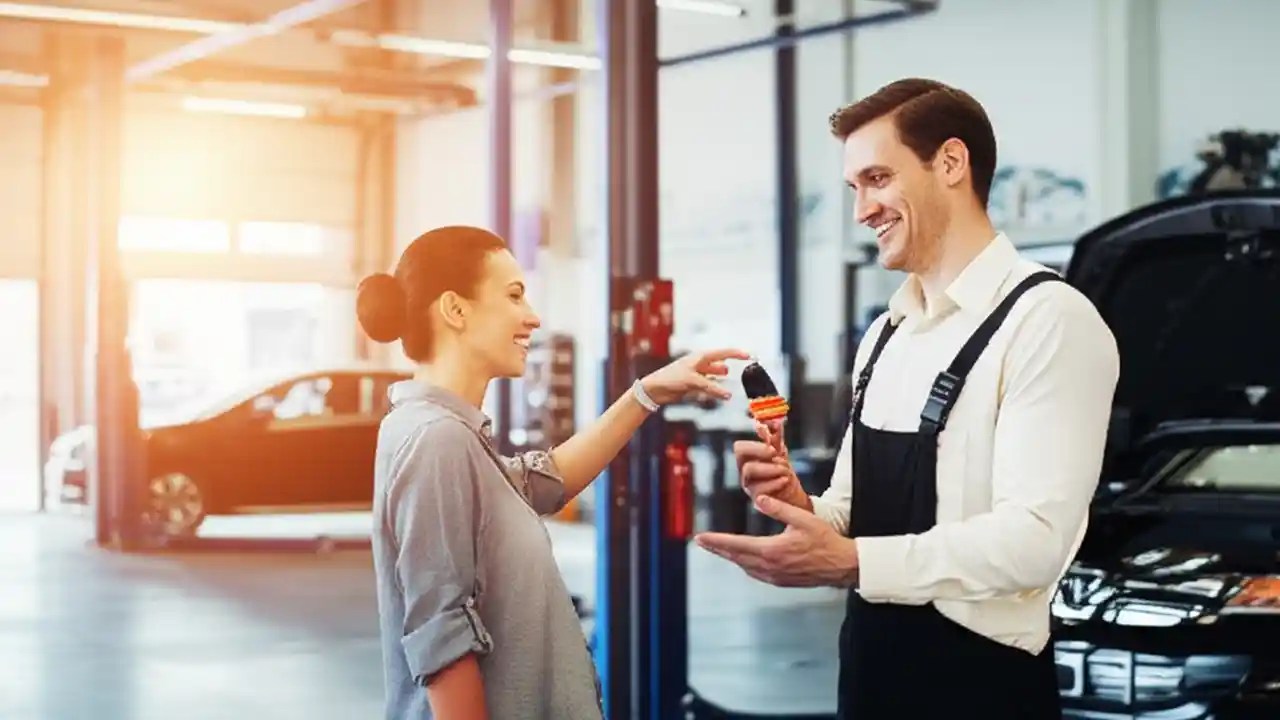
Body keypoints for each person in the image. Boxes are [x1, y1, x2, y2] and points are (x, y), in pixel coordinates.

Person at [695, 78, 1121, 718]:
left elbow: (1036, 543)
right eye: (854, 188)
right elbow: (851, 506)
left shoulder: (1048, 321)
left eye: (877, 179)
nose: (862, 210)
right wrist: (804, 509)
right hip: (870, 674)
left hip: (981, 690)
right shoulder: (888, 332)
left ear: (951, 163)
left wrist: (851, 560)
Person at [356, 224, 747, 720]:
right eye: (514, 296)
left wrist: (646, 393)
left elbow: (543, 482)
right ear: (455, 310)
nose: (532, 317)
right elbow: (442, 642)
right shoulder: (436, 439)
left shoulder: (450, 433)